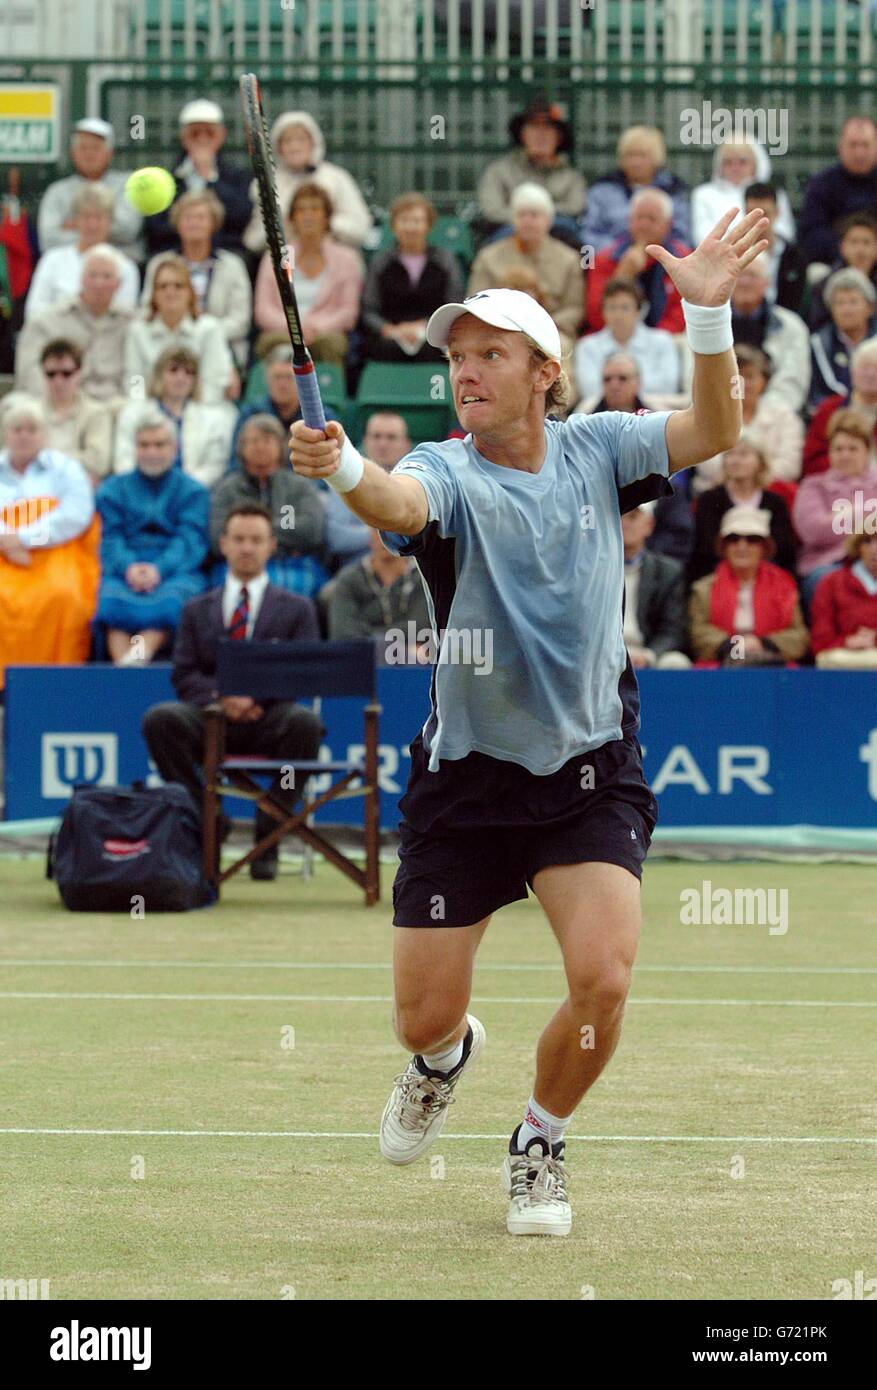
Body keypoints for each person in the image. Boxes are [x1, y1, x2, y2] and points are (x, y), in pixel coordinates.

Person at [289, 205, 772, 1237]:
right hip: (464, 777)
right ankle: (441, 1060)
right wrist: (338, 468)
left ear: (543, 370)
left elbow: (719, 430)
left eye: (490, 355)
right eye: (457, 358)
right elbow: (394, 505)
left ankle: (540, 1138)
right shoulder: (445, 470)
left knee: (602, 978)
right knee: (420, 1015)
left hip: (589, 766)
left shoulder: (600, 449)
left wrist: (705, 318)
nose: (466, 372)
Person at [142, 502, 322, 881]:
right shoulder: (195, 609)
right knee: (160, 720)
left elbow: (300, 675)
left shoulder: (298, 609)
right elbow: (185, 674)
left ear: (271, 545)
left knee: (306, 724)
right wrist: (223, 698)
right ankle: (209, 820)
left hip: (270, 719)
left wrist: (253, 699)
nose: (246, 548)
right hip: (211, 719)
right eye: (239, 539)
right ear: (223, 544)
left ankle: (267, 834)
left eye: (255, 540)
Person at [96, 408, 209, 665]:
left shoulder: (193, 491)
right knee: (110, 600)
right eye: (144, 445)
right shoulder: (112, 489)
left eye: (160, 445)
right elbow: (109, 537)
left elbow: (190, 540)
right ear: (134, 448)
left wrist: (159, 569)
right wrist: (128, 568)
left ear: (175, 447)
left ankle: (137, 659)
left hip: (176, 570)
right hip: (122, 567)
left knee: (172, 601)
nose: (152, 452)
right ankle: (122, 668)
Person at [0, 396, 98, 688]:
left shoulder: (65, 468)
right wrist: (5, 539)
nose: (24, 435)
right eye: (17, 429)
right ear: (6, 434)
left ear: (44, 435)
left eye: (32, 429)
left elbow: (76, 513)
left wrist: (26, 538)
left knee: (64, 597)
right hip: (4, 552)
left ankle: (56, 685)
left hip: (56, 551)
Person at [210, 414, 328, 598]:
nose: (260, 447)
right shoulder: (227, 489)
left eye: (267, 440)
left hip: (293, 565)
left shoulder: (299, 486)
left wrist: (253, 534)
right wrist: (282, 533)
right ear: (241, 448)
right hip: (238, 565)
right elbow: (217, 537)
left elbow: (312, 531)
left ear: (281, 446)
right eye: (254, 441)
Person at [467, 184, 583, 358]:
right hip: (500, 330)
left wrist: (544, 325)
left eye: (535, 215)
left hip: (552, 330)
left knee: (561, 348)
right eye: (522, 215)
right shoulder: (488, 257)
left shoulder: (569, 259)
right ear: (513, 220)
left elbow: (575, 306)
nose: (528, 221)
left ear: (549, 220)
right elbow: (475, 302)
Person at [253, 183, 363, 365]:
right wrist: (296, 329)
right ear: (292, 218)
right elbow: (263, 310)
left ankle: (329, 392)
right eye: (301, 210)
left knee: (330, 344)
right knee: (271, 344)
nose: (308, 216)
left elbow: (348, 312)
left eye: (315, 209)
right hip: (282, 332)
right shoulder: (279, 256)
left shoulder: (347, 259)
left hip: (325, 334)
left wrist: (315, 327)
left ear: (327, 217)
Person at [140, 191, 252, 369]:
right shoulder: (159, 264)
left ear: (213, 222)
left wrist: (201, 335)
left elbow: (240, 321)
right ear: (177, 223)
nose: (194, 223)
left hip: (221, 347)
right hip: (166, 347)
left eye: (201, 217)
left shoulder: (232, 265)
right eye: (188, 217)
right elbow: (147, 310)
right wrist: (178, 335)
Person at [688, 505, 808, 665]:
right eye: (733, 539)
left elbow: (799, 635)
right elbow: (697, 633)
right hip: (720, 666)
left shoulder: (785, 587)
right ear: (723, 546)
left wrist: (763, 644)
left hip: (773, 665)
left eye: (752, 539)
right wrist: (734, 645)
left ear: (764, 547)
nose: (742, 546)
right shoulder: (704, 588)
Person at [15, 245, 134, 405]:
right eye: (93, 275)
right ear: (81, 279)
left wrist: (136, 402)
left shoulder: (132, 324)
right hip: (61, 403)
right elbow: (29, 371)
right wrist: (53, 401)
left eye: (107, 277)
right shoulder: (46, 321)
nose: (99, 283)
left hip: (116, 406)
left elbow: (137, 374)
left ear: (118, 284)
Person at [243, 110, 372, 254]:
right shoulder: (266, 184)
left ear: (314, 142)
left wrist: (324, 223)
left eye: (300, 139)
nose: (294, 147)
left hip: (332, 257)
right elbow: (253, 240)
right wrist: (283, 226)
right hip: (287, 260)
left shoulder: (337, 178)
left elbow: (361, 229)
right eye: (287, 141)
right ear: (278, 147)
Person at [113, 346, 236, 488]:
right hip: (139, 490)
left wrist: (183, 489)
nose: (181, 378)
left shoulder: (212, 419)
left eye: (189, 372)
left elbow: (215, 465)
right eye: (173, 370)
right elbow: (123, 461)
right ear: (159, 375)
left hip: (190, 493)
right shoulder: (133, 413)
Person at [362, 193, 464, 363]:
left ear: (428, 225)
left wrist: (425, 326)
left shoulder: (445, 261)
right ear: (394, 226)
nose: (410, 227)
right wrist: (388, 329)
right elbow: (369, 308)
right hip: (388, 337)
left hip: (433, 335)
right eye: (404, 220)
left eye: (416, 221)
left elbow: (454, 302)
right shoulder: (380, 262)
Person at [143, 100, 252, 259]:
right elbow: (155, 227)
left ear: (221, 136)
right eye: (195, 133)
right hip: (175, 255)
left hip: (224, 257)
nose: (202, 139)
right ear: (184, 136)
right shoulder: (166, 178)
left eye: (209, 133)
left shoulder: (238, 177)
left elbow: (240, 218)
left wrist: (209, 177)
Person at [125, 255, 235, 406]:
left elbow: (214, 384)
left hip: (202, 410)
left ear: (190, 292)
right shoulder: (138, 331)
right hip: (151, 412)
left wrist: (185, 416)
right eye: (163, 286)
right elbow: (135, 381)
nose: (170, 292)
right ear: (153, 294)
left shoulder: (210, 329)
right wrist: (145, 412)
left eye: (178, 286)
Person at [477, 96, 586, 247]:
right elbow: (492, 211)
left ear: (559, 137)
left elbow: (575, 207)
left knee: (580, 241)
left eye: (548, 128)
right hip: (509, 235)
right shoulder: (498, 171)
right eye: (534, 127)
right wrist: (526, 221)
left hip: (559, 236)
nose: (540, 134)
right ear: (522, 135)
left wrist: (538, 218)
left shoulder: (572, 177)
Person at [793, 407, 877, 605]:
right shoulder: (813, 485)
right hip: (828, 564)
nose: (845, 455)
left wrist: (838, 518)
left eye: (853, 448)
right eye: (838, 449)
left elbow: (827, 525)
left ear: (867, 451)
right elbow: (814, 531)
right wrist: (866, 512)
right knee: (826, 581)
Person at [693, 343, 803, 492]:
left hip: (769, 491)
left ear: (763, 381)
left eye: (750, 376)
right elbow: (706, 464)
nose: (742, 384)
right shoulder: (710, 415)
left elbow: (790, 465)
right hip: (720, 491)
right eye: (736, 377)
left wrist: (751, 479)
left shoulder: (784, 416)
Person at [687, 436, 797, 583]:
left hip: (767, 578)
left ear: (760, 462)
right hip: (718, 577)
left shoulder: (775, 502)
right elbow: (705, 550)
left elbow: (784, 550)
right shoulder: (709, 500)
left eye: (744, 454)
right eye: (730, 454)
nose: (735, 460)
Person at [25, 184, 140, 321]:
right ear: (75, 220)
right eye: (86, 217)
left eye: (98, 217)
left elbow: (124, 318)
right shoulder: (51, 260)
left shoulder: (125, 266)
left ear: (110, 221)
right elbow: (34, 311)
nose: (92, 225)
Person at [37, 117, 144, 261]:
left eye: (96, 147)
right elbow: (48, 240)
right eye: (83, 147)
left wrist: (74, 224)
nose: (89, 154)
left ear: (110, 153)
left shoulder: (127, 184)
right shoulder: (57, 191)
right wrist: (104, 229)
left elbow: (128, 230)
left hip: (119, 266)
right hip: (68, 269)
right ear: (73, 153)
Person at [586, 189, 691, 333]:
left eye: (652, 219)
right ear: (629, 220)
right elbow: (595, 318)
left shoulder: (682, 258)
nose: (644, 225)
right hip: (615, 338)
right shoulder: (605, 258)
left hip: (667, 340)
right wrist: (622, 275)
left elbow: (684, 312)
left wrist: (651, 341)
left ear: (668, 224)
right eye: (639, 218)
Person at [580, 124, 690, 252]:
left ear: (657, 158)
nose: (635, 162)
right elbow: (588, 235)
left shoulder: (673, 191)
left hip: (662, 263)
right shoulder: (601, 192)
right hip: (612, 262)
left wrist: (652, 254)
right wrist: (621, 252)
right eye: (630, 155)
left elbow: (683, 238)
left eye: (642, 155)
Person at [321, 411, 411, 567]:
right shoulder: (344, 476)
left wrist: (368, 533)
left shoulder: (416, 480)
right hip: (356, 574)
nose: (383, 444)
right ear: (365, 441)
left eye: (391, 437)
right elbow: (336, 537)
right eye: (376, 436)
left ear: (406, 444)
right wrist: (387, 532)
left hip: (409, 574)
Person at [322, 525, 431, 650]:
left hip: (412, 665)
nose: (386, 537)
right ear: (369, 534)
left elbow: (422, 629)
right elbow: (342, 634)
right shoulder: (349, 579)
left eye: (393, 530)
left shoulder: (422, 577)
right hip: (361, 662)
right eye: (378, 530)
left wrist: (369, 635)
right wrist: (398, 643)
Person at [574, 279, 681, 400]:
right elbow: (589, 389)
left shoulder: (662, 341)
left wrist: (620, 389)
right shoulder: (587, 346)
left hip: (652, 411)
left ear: (638, 311)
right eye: (612, 308)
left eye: (625, 308)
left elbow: (668, 386)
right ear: (603, 312)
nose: (618, 315)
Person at [730, 253, 810, 412]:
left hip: (773, 417)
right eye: (739, 275)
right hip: (718, 412)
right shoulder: (709, 324)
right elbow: (696, 377)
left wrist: (759, 415)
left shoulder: (791, 326)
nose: (745, 282)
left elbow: (792, 382)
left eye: (752, 276)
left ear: (767, 283)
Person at [231, 344, 340, 460]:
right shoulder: (250, 414)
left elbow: (333, 461)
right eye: (277, 377)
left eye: (289, 377)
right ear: (267, 380)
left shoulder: (322, 417)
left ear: (302, 381)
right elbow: (236, 461)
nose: (282, 385)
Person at [797, 116, 877, 265]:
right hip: (834, 266)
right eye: (853, 145)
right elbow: (811, 236)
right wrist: (849, 249)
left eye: (865, 145)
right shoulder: (822, 184)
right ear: (841, 146)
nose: (859, 153)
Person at [34, 339, 114, 483]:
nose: (58, 381)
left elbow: (99, 462)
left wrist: (44, 457)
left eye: (66, 373)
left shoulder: (97, 412)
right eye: (51, 374)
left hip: (78, 484)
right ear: (42, 373)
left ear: (79, 373)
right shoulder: (29, 412)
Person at [620, 502, 689, 669]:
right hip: (607, 652)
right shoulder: (595, 570)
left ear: (649, 525)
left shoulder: (667, 571)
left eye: (633, 517)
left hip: (647, 651)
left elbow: (673, 630)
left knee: (675, 663)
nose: (624, 523)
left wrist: (649, 654)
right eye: (619, 516)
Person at [691, 139, 795, 247]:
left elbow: (785, 232)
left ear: (755, 164)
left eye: (742, 162)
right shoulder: (703, 194)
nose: (735, 168)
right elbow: (702, 236)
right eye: (728, 162)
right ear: (719, 166)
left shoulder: (773, 192)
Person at [803, 338, 877, 476]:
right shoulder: (829, 409)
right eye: (865, 367)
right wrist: (848, 464)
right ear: (853, 373)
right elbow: (811, 461)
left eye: (876, 368)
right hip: (832, 487)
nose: (871, 375)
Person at [809, 268, 877, 412]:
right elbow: (818, 391)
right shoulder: (819, 343)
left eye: (853, 302)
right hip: (834, 415)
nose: (847, 310)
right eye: (839, 303)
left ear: (870, 308)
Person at [810, 531, 877, 668]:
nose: (874, 549)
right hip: (842, 656)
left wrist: (874, 639)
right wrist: (846, 641)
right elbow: (820, 638)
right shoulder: (831, 583)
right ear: (858, 546)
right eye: (867, 542)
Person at [742, 182, 807, 314]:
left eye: (764, 214)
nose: (759, 221)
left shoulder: (794, 255)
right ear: (745, 213)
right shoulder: (733, 252)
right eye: (753, 214)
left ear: (777, 213)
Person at [807, 212, 877, 331]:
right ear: (842, 247)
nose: (860, 250)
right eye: (854, 242)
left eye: (866, 242)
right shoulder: (824, 286)